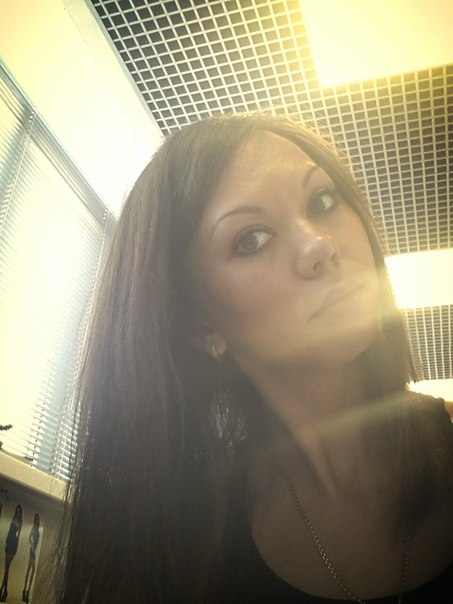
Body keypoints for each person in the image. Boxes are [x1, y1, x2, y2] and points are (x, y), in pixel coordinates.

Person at [58, 114, 453, 603]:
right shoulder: (188, 551)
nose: (319, 244)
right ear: (202, 325)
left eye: (322, 201)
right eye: (252, 239)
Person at [0, 504, 22, 601]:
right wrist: (6, 542)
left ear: (20, 512)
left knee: (7, 568)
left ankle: (2, 589)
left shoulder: (20, 522)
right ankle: (5, 591)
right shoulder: (13, 518)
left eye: (19, 511)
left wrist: (16, 547)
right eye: (17, 510)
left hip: (13, 543)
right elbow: (10, 530)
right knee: (7, 569)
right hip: (9, 541)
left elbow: (18, 535)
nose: (17, 512)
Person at [22, 513, 40, 603]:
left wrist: (34, 546)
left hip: (34, 550)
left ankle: (26, 590)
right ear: (34, 520)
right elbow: (29, 538)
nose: (36, 520)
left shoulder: (38, 529)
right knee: (32, 570)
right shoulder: (33, 528)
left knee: (30, 570)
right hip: (32, 550)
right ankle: (26, 590)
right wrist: (32, 544)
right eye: (36, 519)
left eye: (38, 519)